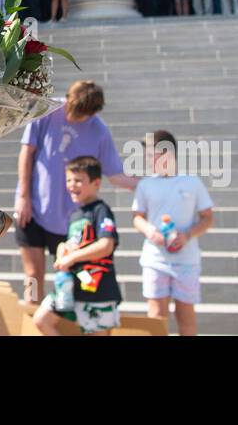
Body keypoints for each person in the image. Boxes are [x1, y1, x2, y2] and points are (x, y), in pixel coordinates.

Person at [14, 80, 136, 305]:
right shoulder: (48, 110)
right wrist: (23, 197)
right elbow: (26, 153)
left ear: (92, 113)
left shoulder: (100, 131)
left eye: (79, 116)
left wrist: (150, 185)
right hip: (31, 209)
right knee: (32, 275)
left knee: (69, 279)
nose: (71, 117)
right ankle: (30, 318)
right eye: (71, 109)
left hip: (70, 221)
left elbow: (115, 174)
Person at [131, 130, 214, 337]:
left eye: (152, 154)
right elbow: (137, 217)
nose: (148, 159)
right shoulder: (145, 184)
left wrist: (186, 235)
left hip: (186, 261)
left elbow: (207, 217)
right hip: (155, 260)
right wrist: (150, 231)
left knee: (185, 315)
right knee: (156, 316)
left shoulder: (192, 182)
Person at [32, 156, 121, 336]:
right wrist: (62, 251)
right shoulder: (75, 214)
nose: (72, 184)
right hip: (70, 289)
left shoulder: (100, 210)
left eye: (78, 180)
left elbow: (106, 245)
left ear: (96, 183)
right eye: (69, 180)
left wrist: (72, 257)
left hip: (98, 290)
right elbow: (73, 243)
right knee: (41, 320)